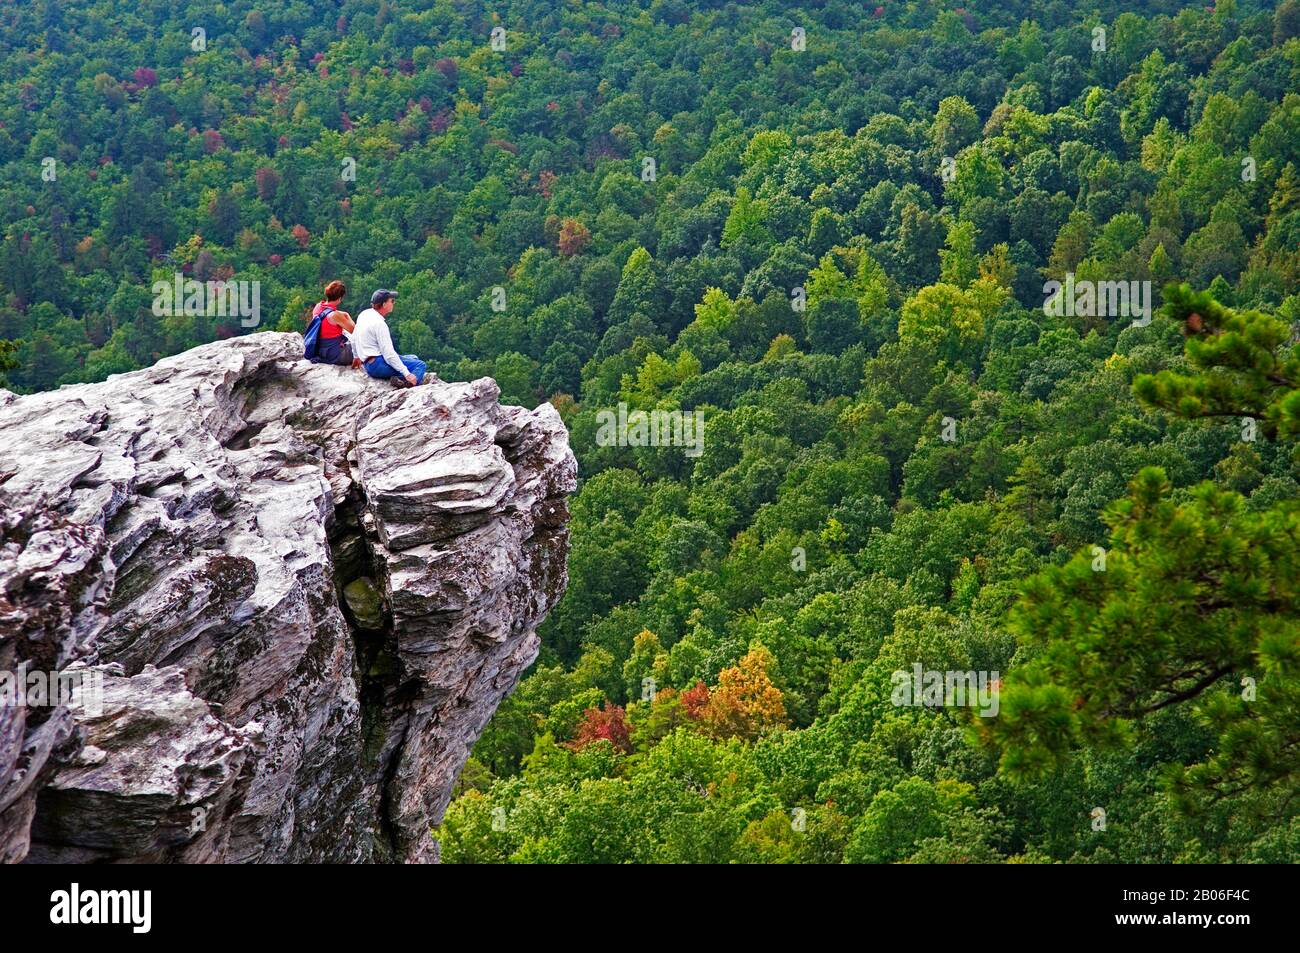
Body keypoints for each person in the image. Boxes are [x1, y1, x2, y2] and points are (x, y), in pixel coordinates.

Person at [352, 289, 428, 387]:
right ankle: (406, 383)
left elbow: (354, 338)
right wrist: (407, 374)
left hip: (368, 364)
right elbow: (388, 354)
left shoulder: (364, 314)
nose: (394, 303)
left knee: (413, 357)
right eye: (391, 301)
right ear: (384, 305)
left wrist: (356, 356)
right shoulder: (379, 324)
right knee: (420, 365)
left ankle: (399, 378)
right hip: (378, 364)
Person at [308, 280, 360, 367]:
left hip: (319, 351)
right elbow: (354, 331)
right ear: (340, 298)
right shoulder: (335, 315)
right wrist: (347, 315)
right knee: (363, 346)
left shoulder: (318, 306)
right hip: (334, 355)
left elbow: (327, 313)